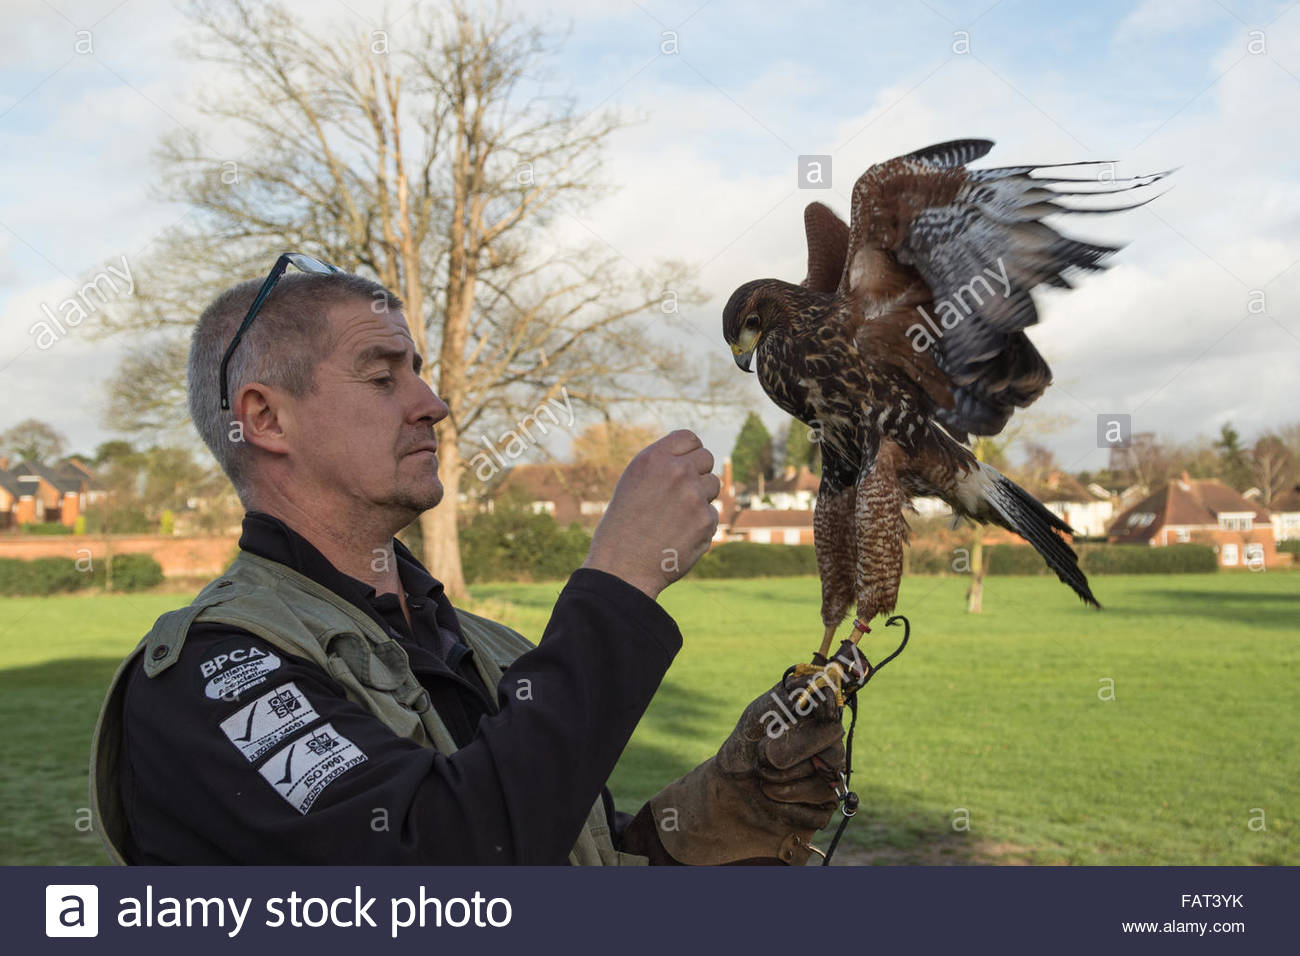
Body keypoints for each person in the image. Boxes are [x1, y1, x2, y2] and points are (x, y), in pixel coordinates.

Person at [90, 258, 849, 865]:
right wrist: (617, 585)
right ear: (265, 417)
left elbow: (560, 855)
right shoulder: (212, 675)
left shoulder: (485, 649)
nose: (433, 402)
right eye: (383, 375)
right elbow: (443, 864)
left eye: (418, 370)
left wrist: (730, 802)